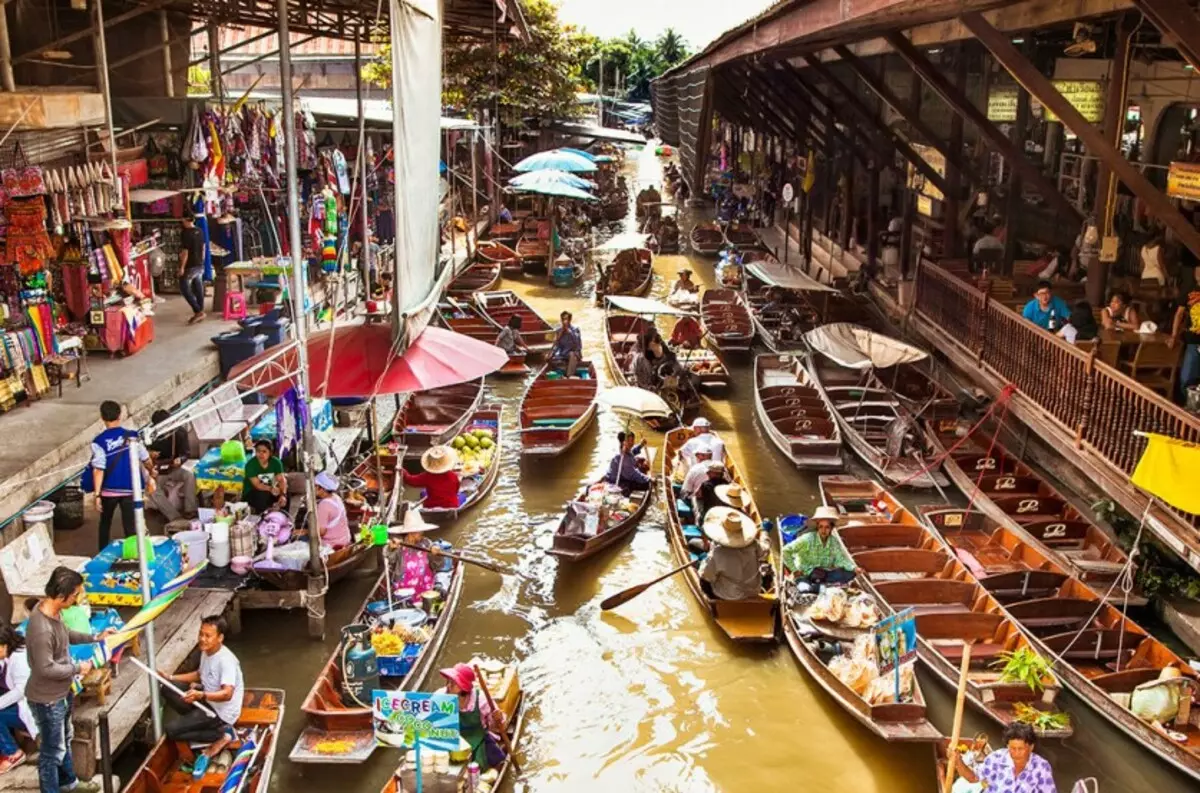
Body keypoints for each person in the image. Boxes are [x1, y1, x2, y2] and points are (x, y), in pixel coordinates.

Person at [27, 567, 110, 793]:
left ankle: (69, 783)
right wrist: (76, 668)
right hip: (47, 699)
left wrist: (95, 637)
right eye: (74, 595)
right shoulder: (42, 629)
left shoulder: (53, 613)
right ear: (62, 594)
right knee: (52, 752)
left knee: (65, 738)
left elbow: (67, 634)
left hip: (63, 693)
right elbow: (45, 668)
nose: (76, 599)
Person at [159, 615, 244, 778]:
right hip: (205, 700)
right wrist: (170, 677)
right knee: (168, 689)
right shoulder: (206, 652)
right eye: (201, 634)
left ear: (220, 638)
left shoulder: (226, 661)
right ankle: (196, 723)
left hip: (220, 712)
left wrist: (201, 694)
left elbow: (227, 694)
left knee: (171, 731)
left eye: (208, 636)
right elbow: (199, 674)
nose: (202, 639)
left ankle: (221, 734)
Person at [90, 400, 155, 552]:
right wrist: (151, 471)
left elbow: (98, 469)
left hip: (108, 490)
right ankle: (133, 555)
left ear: (102, 417)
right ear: (120, 415)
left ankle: (102, 552)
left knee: (105, 523)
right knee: (130, 526)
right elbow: (146, 459)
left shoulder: (98, 441)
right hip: (131, 489)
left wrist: (97, 494)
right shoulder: (132, 436)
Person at [437, 663, 507, 771]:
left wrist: (497, 718)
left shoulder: (481, 699)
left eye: (453, 683)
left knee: (495, 763)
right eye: (449, 681)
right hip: (451, 738)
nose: (448, 686)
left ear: (463, 687)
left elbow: (495, 726)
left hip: (477, 739)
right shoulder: (440, 696)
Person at [953, 722, 1057, 793]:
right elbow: (973, 778)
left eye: (1020, 749)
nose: (1016, 753)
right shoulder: (996, 758)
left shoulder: (1041, 767)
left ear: (1031, 747)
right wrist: (958, 760)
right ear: (1007, 746)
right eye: (1012, 748)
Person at [781, 506, 863, 593]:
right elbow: (785, 551)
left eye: (827, 527)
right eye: (821, 527)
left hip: (823, 574)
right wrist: (794, 570)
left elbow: (840, 559)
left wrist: (854, 568)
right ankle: (823, 587)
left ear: (831, 528)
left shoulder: (833, 542)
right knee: (805, 589)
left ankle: (822, 587)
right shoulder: (808, 539)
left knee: (850, 574)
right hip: (805, 574)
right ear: (817, 527)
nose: (823, 530)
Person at [698, 508, 767, 600]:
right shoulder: (753, 544)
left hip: (729, 595)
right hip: (753, 591)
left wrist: (705, 562)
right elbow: (765, 551)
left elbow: (706, 576)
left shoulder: (718, 553)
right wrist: (765, 533)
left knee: (702, 575)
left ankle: (710, 600)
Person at [146, 409, 198, 522]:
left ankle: (190, 509)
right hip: (158, 470)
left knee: (189, 476)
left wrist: (180, 459)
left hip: (175, 468)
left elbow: (186, 453)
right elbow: (143, 453)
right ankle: (174, 516)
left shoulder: (180, 432)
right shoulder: (150, 436)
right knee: (153, 490)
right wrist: (150, 454)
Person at [0, 624, 33, 775]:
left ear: (3, 646)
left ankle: (13, 752)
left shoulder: (19, 659)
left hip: (33, 708)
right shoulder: (13, 652)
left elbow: (21, 690)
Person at [388, 508, 441, 594]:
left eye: (421, 531)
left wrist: (436, 554)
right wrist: (391, 549)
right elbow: (390, 560)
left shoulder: (427, 543)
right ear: (410, 532)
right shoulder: (400, 544)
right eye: (419, 532)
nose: (422, 533)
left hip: (424, 587)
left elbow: (438, 565)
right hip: (403, 589)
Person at [1170, 265, 1200, 402]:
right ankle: (1189, 406)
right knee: (1187, 377)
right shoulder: (1189, 291)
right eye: (1197, 271)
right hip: (1194, 340)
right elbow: (1179, 314)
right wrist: (1173, 336)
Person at [401, 446, 461, 510]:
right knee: (461, 496)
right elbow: (456, 490)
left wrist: (403, 472)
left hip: (432, 506)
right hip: (452, 506)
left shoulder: (427, 476)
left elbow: (410, 481)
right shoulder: (453, 475)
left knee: (423, 493)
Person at [242, 439, 286, 514]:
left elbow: (281, 480)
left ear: (270, 453)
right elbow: (257, 485)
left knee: (284, 496)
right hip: (252, 492)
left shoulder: (276, 462)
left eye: (264, 451)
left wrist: (283, 494)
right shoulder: (250, 465)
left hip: (270, 489)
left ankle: (283, 517)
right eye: (258, 451)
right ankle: (263, 517)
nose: (261, 454)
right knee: (263, 496)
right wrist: (271, 489)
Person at [178, 214, 207, 324]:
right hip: (199, 263)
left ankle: (198, 311)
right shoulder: (200, 231)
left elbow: (185, 252)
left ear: (185, 220)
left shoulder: (185, 233)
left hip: (190, 265)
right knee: (198, 285)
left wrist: (182, 267)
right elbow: (204, 247)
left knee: (184, 287)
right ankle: (200, 310)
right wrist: (202, 260)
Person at [314, 472, 351, 550]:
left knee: (302, 539)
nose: (313, 488)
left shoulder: (324, 505)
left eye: (315, 486)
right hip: (344, 539)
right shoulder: (336, 497)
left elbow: (321, 532)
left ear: (322, 488)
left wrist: (305, 531)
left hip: (332, 545)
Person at [549, 311, 582, 378]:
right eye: (563, 319)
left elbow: (578, 344)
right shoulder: (559, 331)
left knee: (572, 354)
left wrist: (569, 332)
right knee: (549, 358)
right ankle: (558, 376)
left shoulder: (575, 330)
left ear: (570, 320)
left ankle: (569, 376)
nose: (564, 321)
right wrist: (551, 354)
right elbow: (557, 345)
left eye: (566, 319)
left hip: (575, 354)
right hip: (563, 354)